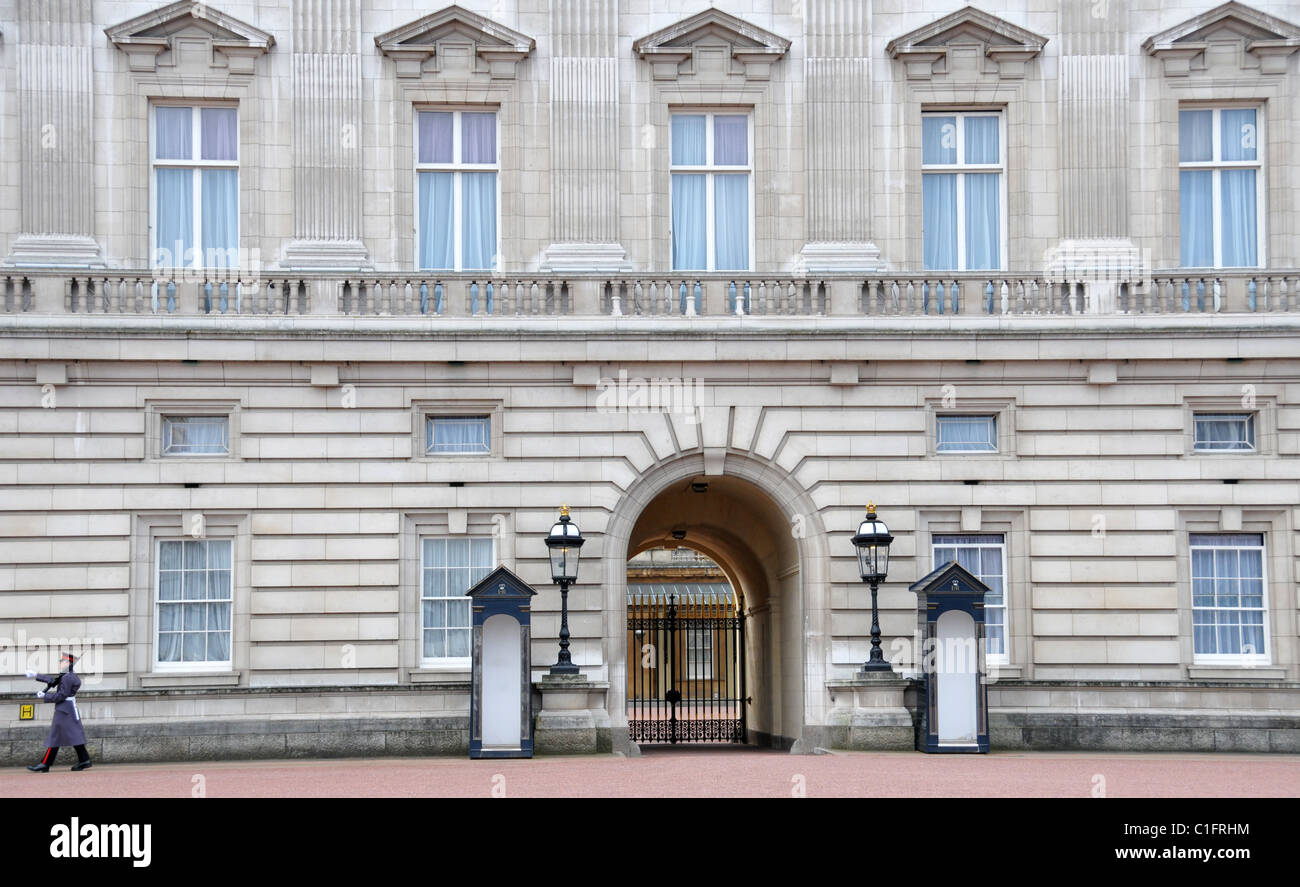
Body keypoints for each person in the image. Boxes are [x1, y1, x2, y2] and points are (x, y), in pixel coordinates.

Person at [25, 653, 91, 772]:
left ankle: (45, 763)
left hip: (64, 709)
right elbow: (53, 681)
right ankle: (84, 759)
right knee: (74, 735)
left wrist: (45, 695)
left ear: (68, 663)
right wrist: (35, 675)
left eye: (63, 661)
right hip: (67, 709)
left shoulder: (67, 677)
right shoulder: (67, 676)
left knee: (55, 736)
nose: (60, 662)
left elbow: (61, 695)